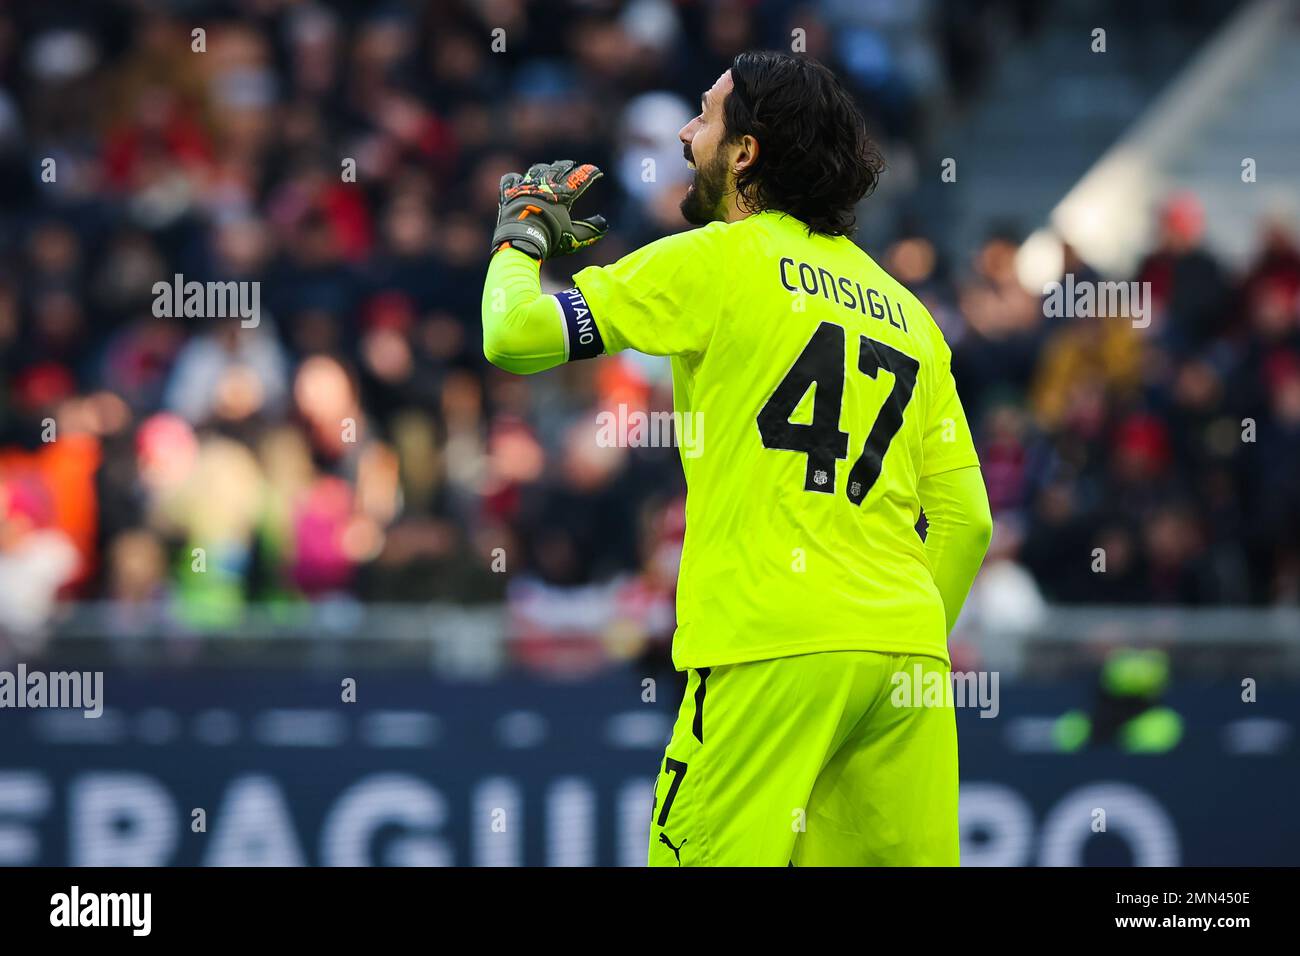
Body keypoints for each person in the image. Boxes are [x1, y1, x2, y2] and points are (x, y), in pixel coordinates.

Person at [480, 51, 992, 866]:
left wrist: (522, 237)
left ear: (745, 152)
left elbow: (511, 336)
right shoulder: (910, 316)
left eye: (706, 115)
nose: (687, 134)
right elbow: (967, 523)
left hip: (767, 646)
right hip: (907, 664)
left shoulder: (714, 260)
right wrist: (890, 634)